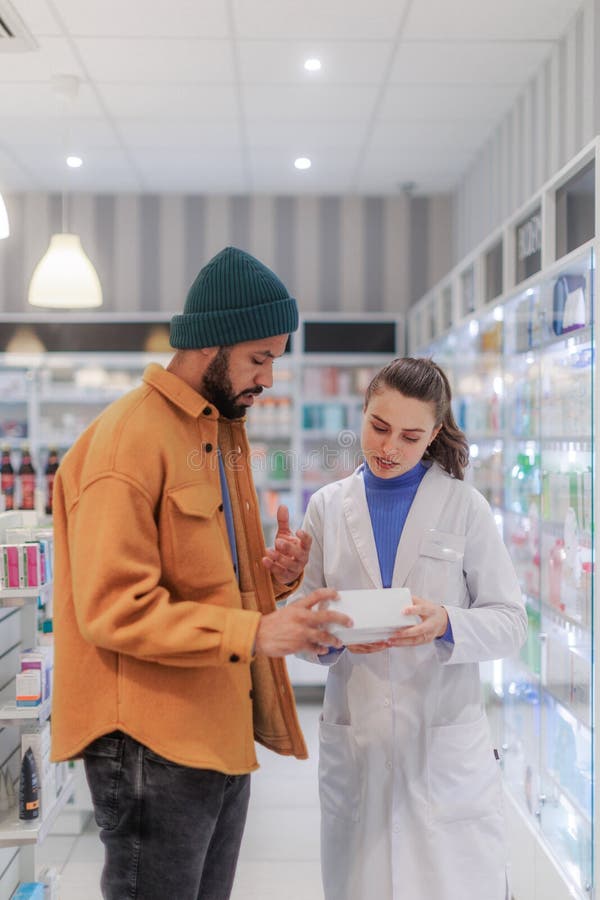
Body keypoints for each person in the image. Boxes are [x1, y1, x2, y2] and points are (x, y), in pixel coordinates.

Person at [50, 246, 352, 900]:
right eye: (259, 358)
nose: (269, 378)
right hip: (150, 745)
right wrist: (258, 632)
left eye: (275, 360)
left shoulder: (219, 434)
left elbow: (209, 580)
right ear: (211, 343)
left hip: (216, 730)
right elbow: (114, 609)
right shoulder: (128, 441)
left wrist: (276, 577)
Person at [289, 356, 528, 900]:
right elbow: (300, 618)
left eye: (410, 436)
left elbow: (511, 622)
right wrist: (328, 637)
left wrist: (447, 623)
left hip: (443, 749)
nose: (389, 448)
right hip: (359, 742)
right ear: (363, 411)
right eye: (378, 427)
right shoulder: (327, 507)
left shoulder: (465, 507)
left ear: (434, 434)